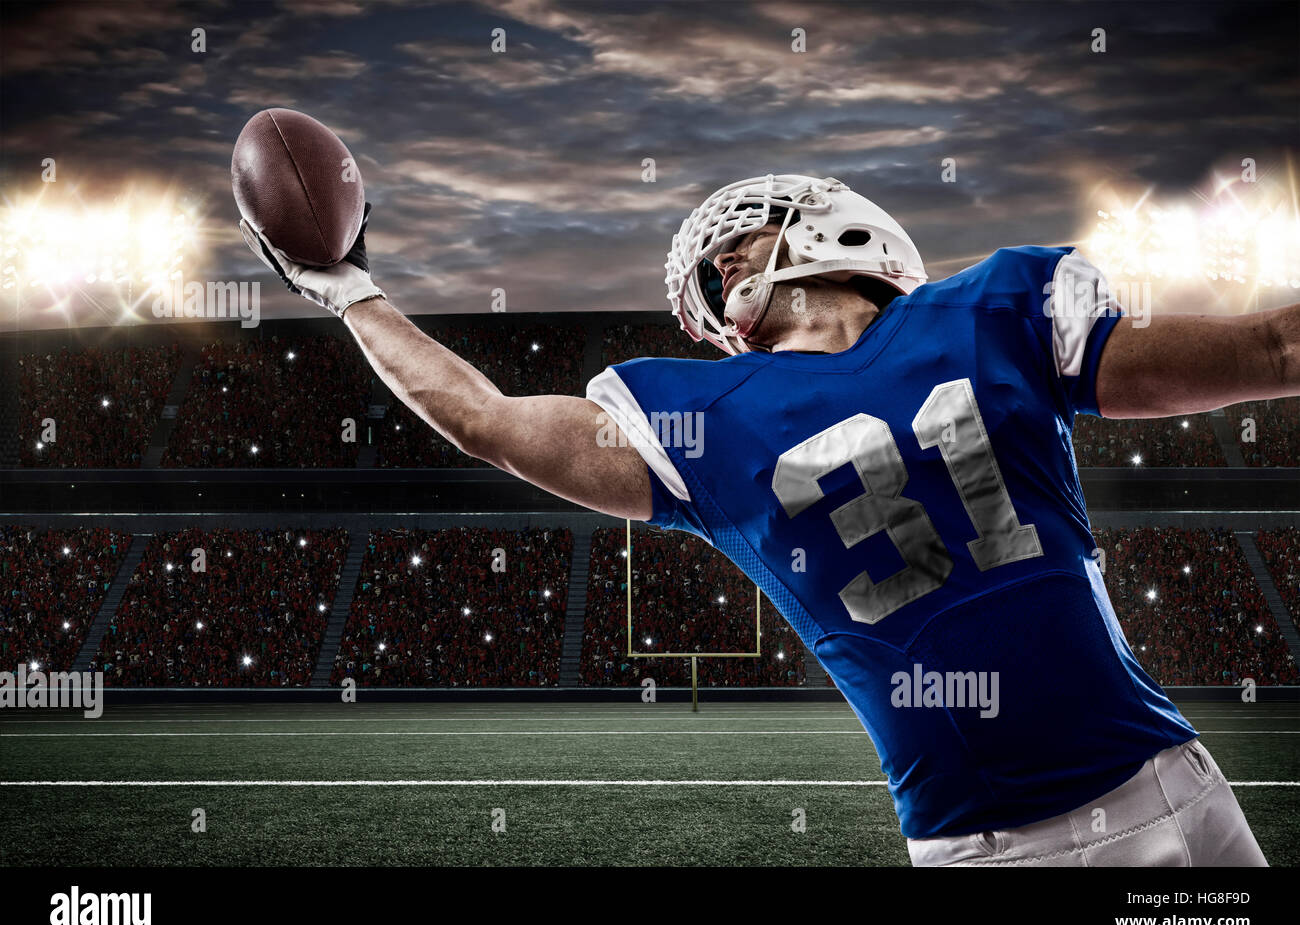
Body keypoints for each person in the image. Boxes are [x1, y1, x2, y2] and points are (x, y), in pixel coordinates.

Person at [240, 173, 1296, 865]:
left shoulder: (1000, 304)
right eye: (710, 264)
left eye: (740, 234)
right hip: (991, 845)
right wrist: (348, 291)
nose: (722, 260)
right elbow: (486, 419)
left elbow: (1269, 352)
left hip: (1171, 783)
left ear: (837, 225)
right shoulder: (699, 417)